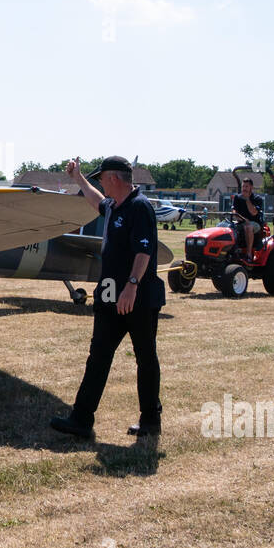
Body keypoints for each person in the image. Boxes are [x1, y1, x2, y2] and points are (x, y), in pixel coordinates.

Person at [50, 156, 165, 440]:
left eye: (102, 177)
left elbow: (144, 252)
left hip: (136, 296)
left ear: (115, 178)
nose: (100, 181)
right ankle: (81, 419)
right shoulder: (114, 206)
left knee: (145, 358)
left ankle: (151, 421)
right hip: (111, 293)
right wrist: (78, 178)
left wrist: (132, 286)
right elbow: (95, 199)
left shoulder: (140, 207)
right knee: (98, 356)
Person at [233, 177, 264, 260]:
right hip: (240, 222)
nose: (244, 189)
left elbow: (253, 212)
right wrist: (237, 217)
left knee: (248, 226)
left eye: (246, 186)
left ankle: (249, 253)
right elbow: (234, 210)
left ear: (251, 187)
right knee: (224, 226)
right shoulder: (237, 198)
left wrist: (247, 199)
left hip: (255, 224)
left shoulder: (257, 199)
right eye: (243, 186)